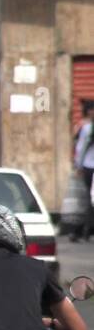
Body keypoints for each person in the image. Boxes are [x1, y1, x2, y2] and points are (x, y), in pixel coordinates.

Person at [72, 102, 94, 241]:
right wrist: (79, 166)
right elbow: (81, 147)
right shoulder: (87, 128)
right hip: (89, 167)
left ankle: (85, 230)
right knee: (88, 200)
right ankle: (85, 230)